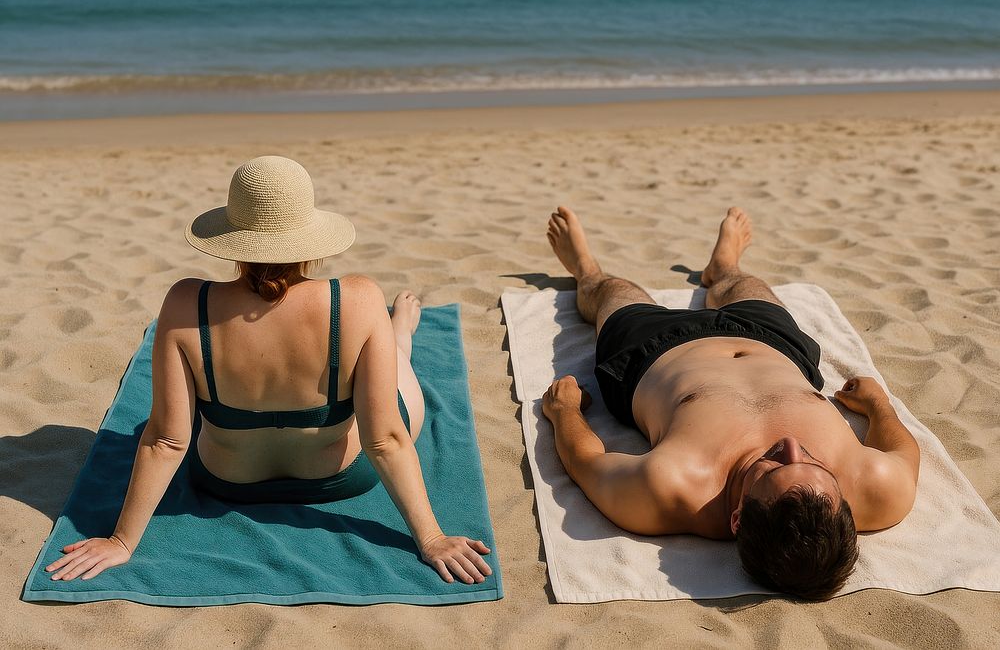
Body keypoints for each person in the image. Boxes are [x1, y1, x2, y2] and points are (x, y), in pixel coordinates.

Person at [45, 156, 491, 586]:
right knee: (391, 368)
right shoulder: (355, 298)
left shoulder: (186, 303)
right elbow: (385, 438)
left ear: (232, 236)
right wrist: (430, 539)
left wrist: (122, 541)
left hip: (227, 482)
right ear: (310, 237)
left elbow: (166, 440)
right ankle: (398, 338)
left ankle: (391, 340)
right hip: (341, 477)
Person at [541, 205, 920, 600]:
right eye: (814, 464)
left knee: (612, 292)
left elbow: (587, 464)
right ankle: (723, 267)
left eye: (772, 468)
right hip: (773, 344)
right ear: (842, 502)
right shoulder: (880, 490)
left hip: (651, 352)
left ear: (737, 518)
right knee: (742, 285)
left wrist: (563, 411)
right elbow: (901, 450)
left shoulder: (672, 487)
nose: (791, 447)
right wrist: (879, 406)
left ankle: (585, 268)